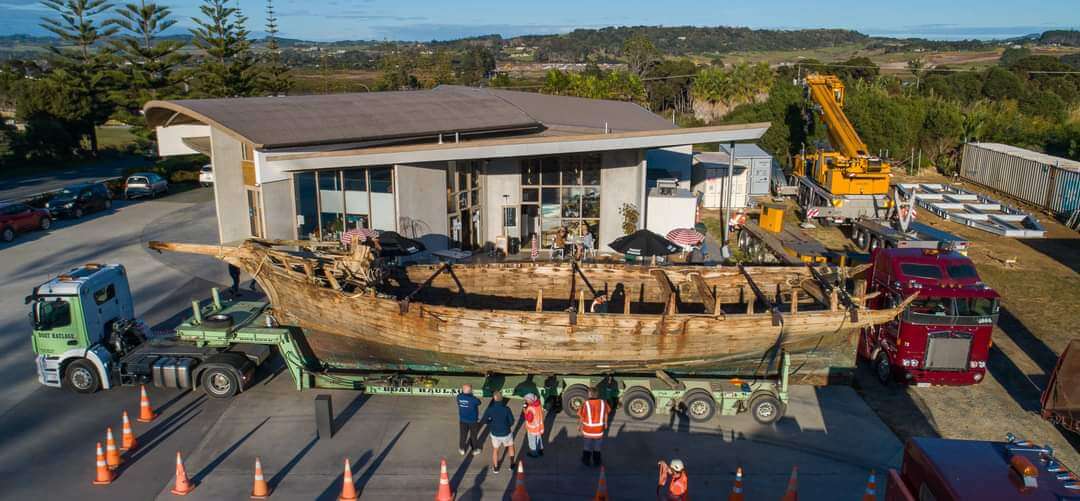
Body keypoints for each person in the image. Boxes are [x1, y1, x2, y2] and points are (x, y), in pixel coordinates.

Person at [482, 392, 516, 474]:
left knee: (495, 450)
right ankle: (512, 464)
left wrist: (491, 423)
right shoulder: (506, 409)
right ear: (502, 399)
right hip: (506, 432)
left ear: (494, 399)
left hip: (495, 434)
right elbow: (512, 421)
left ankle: (496, 467)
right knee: (510, 446)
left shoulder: (490, 409)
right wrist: (507, 425)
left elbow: (484, 420)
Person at [577, 386, 609, 466]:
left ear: (590, 394)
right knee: (597, 447)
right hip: (599, 430)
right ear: (597, 394)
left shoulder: (586, 403)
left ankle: (586, 461)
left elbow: (582, 416)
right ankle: (597, 462)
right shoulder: (603, 402)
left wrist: (579, 426)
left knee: (587, 446)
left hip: (588, 430)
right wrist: (605, 424)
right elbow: (606, 414)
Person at [456, 384, 482, 456]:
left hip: (463, 420)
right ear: (470, 391)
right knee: (473, 436)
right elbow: (479, 402)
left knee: (463, 435)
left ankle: (462, 449)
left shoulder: (459, 397)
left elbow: (461, 397)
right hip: (473, 421)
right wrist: (472, 395)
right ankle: (474, 449)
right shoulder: (473, 399)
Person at [522, 393, 545, 457]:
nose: (526, 401)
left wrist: (524, 411)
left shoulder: (530, 408)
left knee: (532, 441)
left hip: (533, 429)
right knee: (539, 438)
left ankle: (534, 453)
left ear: (531, 400)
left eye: (527, 400)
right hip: (539, 426)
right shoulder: (538, 404)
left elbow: (529, 418)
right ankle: (540, 450)